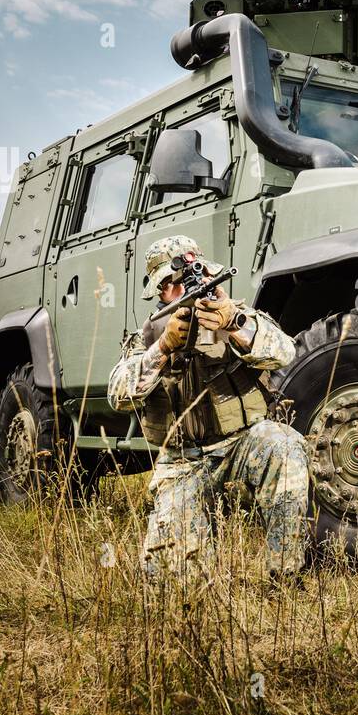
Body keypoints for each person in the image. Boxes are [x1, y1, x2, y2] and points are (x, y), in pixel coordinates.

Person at [108, 235, 310, 580]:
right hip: (183, 460)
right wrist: (163, 347)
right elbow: (119, 395)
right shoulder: (151, 334)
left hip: (242, 443)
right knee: (168, 577)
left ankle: (286, 575)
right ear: (161, 293)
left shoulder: (236, 315)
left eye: (191, 277)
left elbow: (285, 352)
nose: (185, 287)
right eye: (173, 284)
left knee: (285, 445)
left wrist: (235, 325)